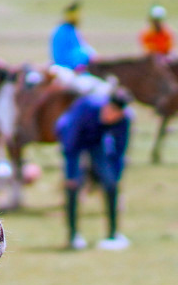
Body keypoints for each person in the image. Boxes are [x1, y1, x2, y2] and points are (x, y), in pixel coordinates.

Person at [56, 84, 132, 251]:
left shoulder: (125, 119)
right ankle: (73, 235)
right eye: (109, 112)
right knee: (73, 182)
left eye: (116, 116)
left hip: (98, 140)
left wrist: (115, 176)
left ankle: (113, 234)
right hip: (74, 138)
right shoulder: (87, 107)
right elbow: (70, 142)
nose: (111, 118)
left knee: (110, 181)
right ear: (106, 106)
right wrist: (70, 174)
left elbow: (120, 151)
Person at [49, 0, 93, 71]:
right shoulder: (66, 31)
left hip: (67, 65)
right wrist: (90, 57)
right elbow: (77, 51)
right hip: (68, 67)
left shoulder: (65, 29)